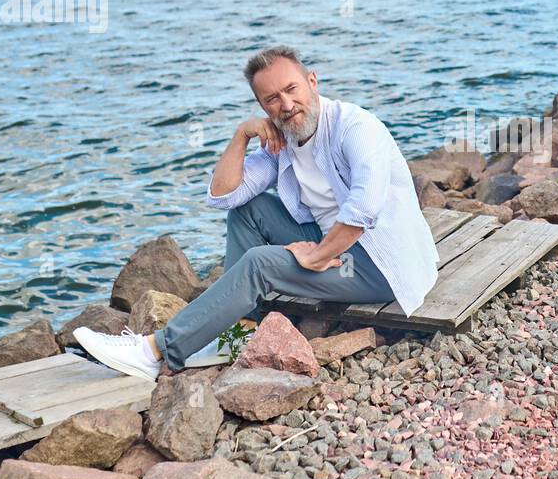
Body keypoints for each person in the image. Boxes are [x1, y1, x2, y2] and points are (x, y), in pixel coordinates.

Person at [74, 46, 440, 381]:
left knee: (260, 264)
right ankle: (242, 330)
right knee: (249, 210)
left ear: (312, 81)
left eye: (292, 89)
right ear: (262, 106)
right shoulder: (285, 137)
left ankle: (154, 351)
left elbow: (364, 209)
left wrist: (315, 255)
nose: (286, 104)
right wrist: (241, 136)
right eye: (272, 99)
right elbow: (224, 196)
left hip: (380, 265)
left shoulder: (355, 127)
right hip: (336, 244)